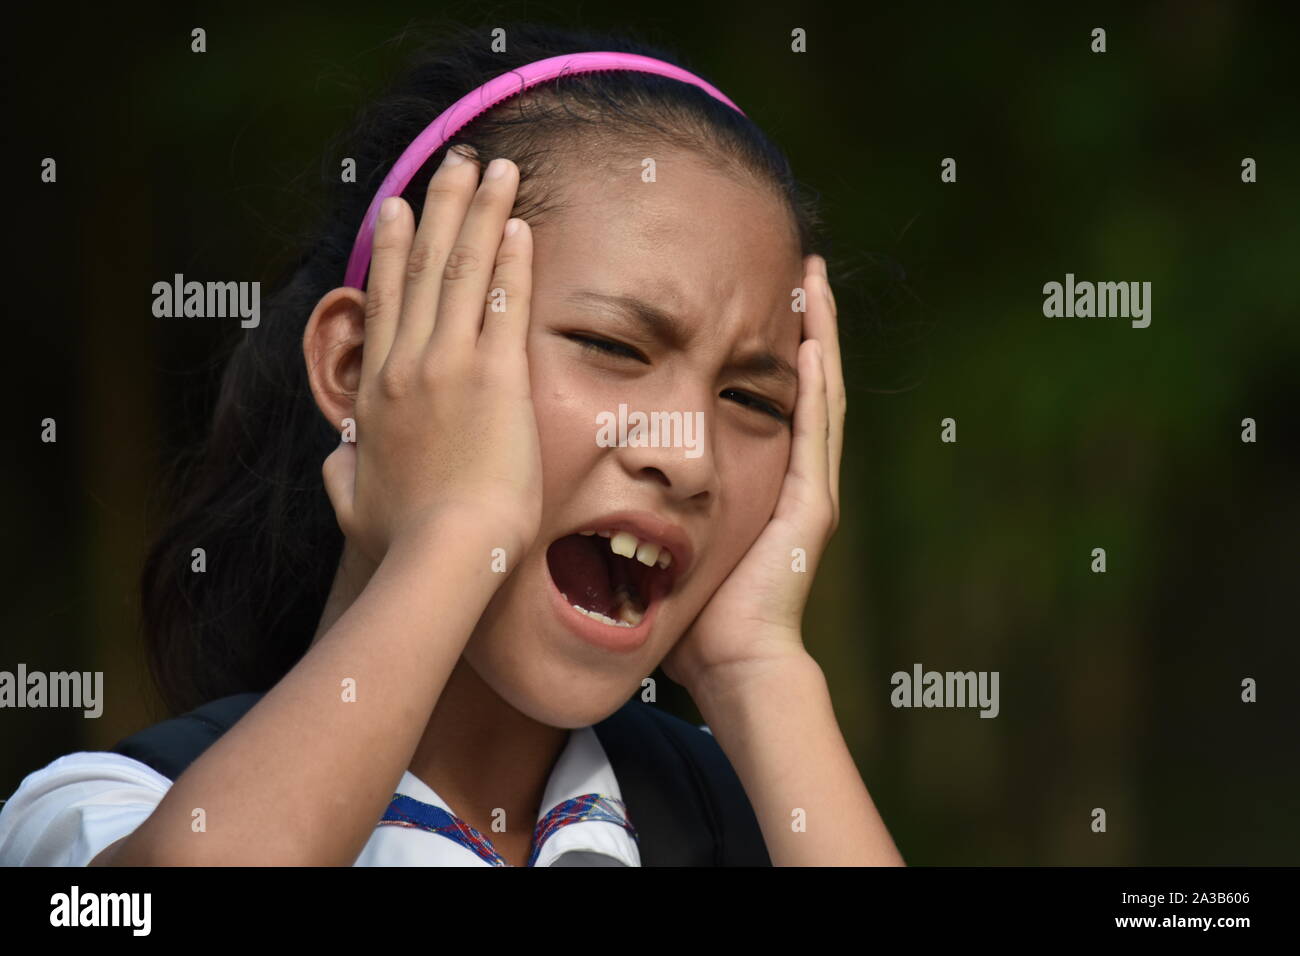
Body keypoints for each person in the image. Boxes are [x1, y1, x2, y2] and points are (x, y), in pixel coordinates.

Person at [0, 21, 903, 867]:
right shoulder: (117, 809)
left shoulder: (766, 817)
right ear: (360, 364)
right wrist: (454, 538)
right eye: (610, 347)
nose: (689, 455)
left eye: (752, 398)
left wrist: (758, 670)